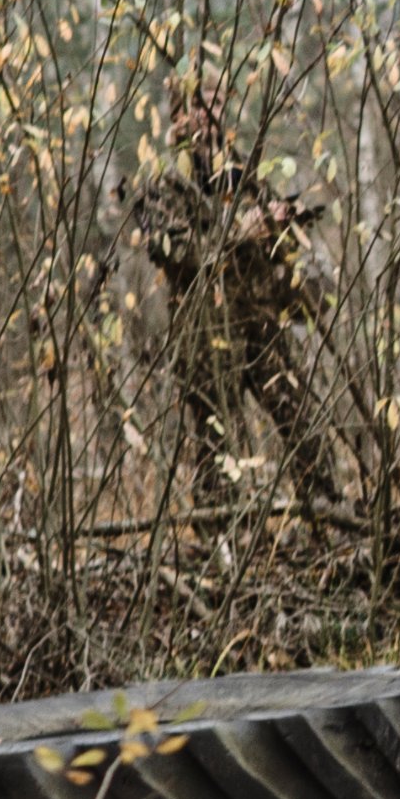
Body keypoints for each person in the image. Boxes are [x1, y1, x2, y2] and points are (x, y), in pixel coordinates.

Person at [131, 84, 342, 510]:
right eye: (199, 104)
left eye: (219, 102)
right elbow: (174, 250)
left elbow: (277, 243)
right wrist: (236, 231)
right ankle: (222, 546)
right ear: (177, 115)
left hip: (263, 325)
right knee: (218, 445)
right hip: (207, 335)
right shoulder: (162, 181)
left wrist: (282, 222)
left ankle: (331, 517)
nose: (211, 112)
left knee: (304, 421)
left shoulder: (241, 172)